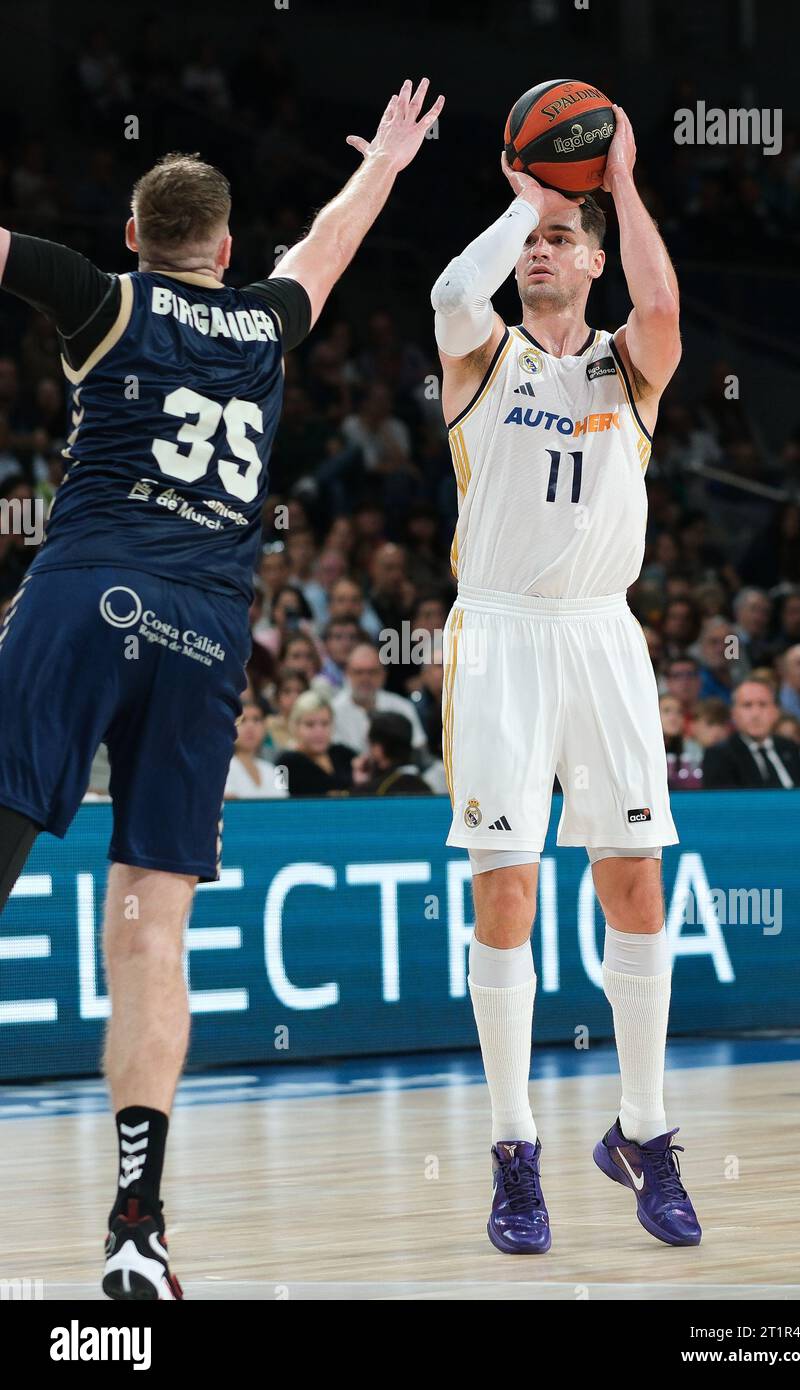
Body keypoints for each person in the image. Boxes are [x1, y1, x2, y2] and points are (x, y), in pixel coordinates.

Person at [0, 77, 443, 1300]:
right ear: (228, 249)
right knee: (150, 932)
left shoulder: (101, 297)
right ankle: (137, 1226)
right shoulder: (265, 324)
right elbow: (337, 238)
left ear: (135, 239)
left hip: (86, 596)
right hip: (204, 638)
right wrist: (390, 160)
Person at [431, 107, 701, 1253]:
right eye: (532, 239)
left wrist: (619, 186)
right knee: (508, 896)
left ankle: (641, 1130)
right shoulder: (477, 352)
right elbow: (452, 292)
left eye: (560, 238)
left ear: (592, 258)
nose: (541, 250)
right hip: (497, 637)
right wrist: (526, 196)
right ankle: (512, 1147)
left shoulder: (627, 366)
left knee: (633, 884)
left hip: (600, 635)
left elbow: (662, 308)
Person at [701, 680, 800, 788]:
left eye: (763, 705)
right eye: (747, 705)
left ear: (776, 712)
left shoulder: (789, 748)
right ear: (734, 714)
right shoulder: (719, 755)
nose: (755, 714)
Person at [330, 638, 427, 756]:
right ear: (347, 674)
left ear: (383, 675)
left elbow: (418, 748)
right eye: (359, 672)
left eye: (372, 672)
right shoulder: (332, 710)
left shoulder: (401, 707)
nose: (365, 679)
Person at [274, 691, 354, 796]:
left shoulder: (343, 754)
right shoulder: (282, 765)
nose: (319, 732)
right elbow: (277, 801)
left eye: (325, 724)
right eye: (310, 725)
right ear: (295, 726)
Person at [351, 712, 432, 796]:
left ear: (378, 749)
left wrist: (360, 786)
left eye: (370, 744)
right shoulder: (427, 787)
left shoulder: (371, 792)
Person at [224, 700, 288, 800]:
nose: (251, 726)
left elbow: (285, 806)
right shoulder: (223, 767)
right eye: (243, 720)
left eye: (256, 720)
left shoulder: (274, 769)